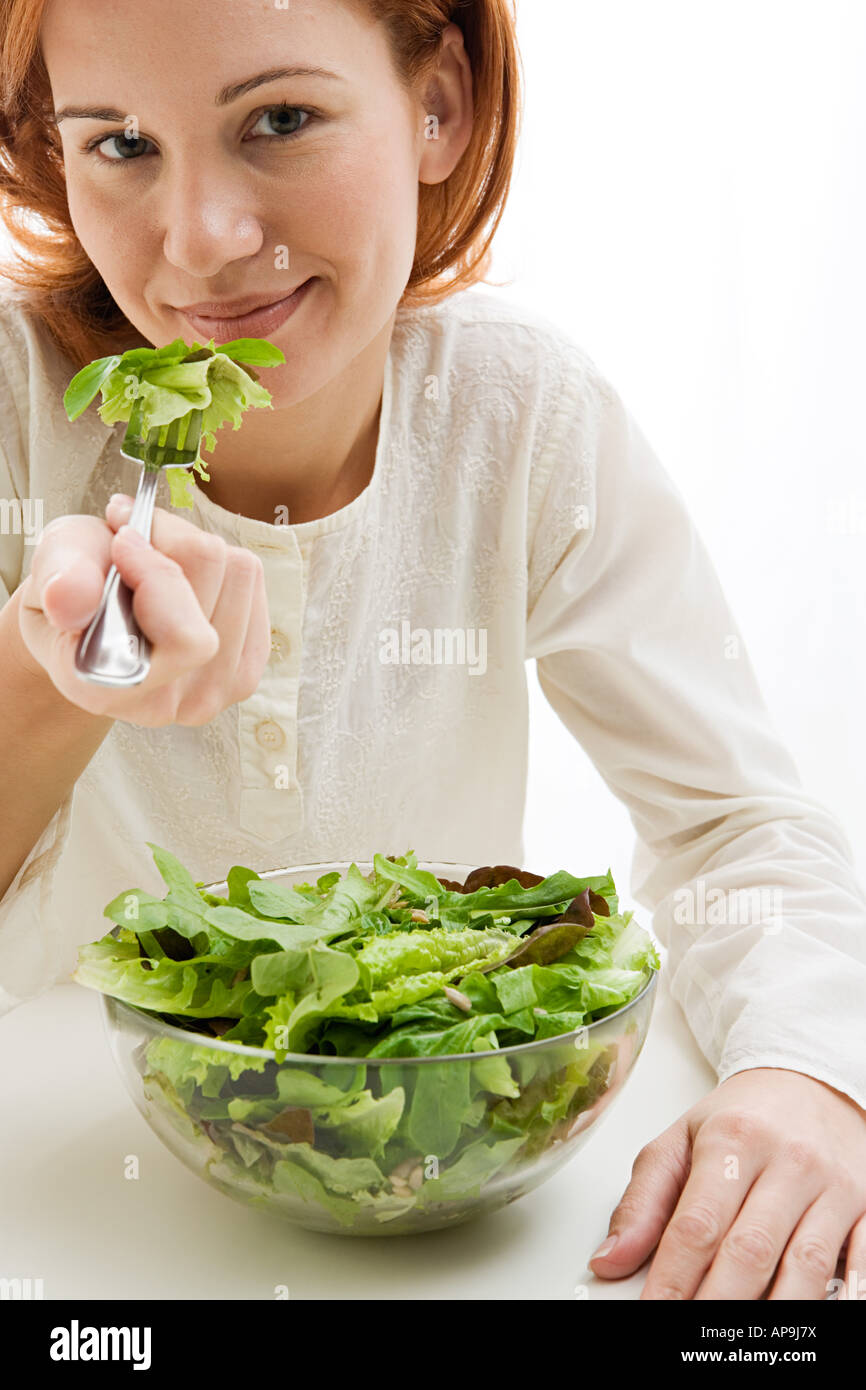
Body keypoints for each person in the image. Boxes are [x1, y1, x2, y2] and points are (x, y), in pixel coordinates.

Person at [0, 0, 864, 1300]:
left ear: (437, 100)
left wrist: (810, 1073)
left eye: (277, 120)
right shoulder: (20, 411)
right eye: (119, 144)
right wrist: (49, 679)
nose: (204, 242)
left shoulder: (523, 418)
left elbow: (736, 828)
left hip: (436, 1221)